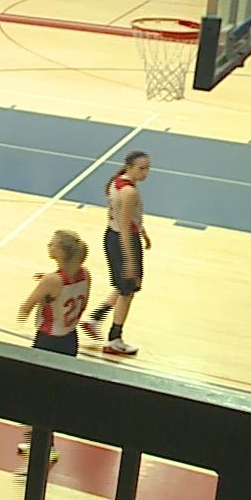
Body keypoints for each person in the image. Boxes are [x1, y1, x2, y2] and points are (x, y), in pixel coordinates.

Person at [15, 230, 90, 462]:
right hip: (70, 339)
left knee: (38, 394)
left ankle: (45, 447)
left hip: (48, 341)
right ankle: (41, 442)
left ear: (60, 252)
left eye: (52, 243)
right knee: (53, 393)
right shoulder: (85, 274)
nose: (48, 245)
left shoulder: (52, 281)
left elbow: (25, 307)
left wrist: (25, 313)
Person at [84, 152, 150, 357]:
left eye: (148, 168)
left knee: (125, 287)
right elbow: (124, 225)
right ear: (129, 167)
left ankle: (95, 318)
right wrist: (130, 258)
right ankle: (114, 339)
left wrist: (143, 232)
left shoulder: (117, 181)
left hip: (114, 236)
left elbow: (128, 218)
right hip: (124, 241)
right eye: (142, 168)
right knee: (127, 291)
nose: (146, 172)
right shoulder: (129, 192)